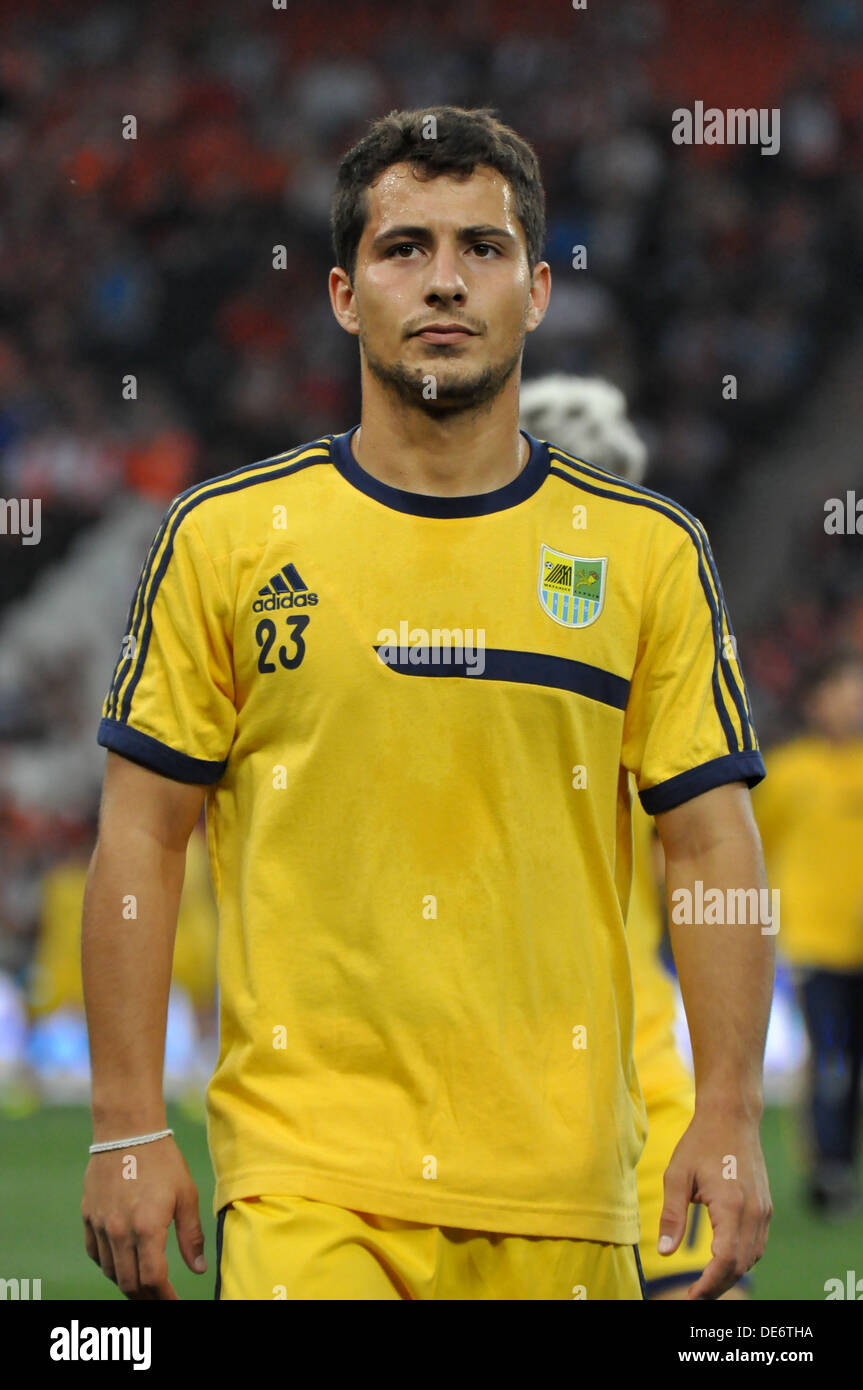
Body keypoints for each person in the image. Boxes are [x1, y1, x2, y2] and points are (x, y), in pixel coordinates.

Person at [81, 105, 773, 1301]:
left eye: (481, 249)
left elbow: (707, 840)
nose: (443, 282)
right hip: (306, 1174)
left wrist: (724, 1109)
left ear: (538, 291)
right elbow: (143, 833)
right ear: (344, 295)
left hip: (562, 1186)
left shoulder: (647, 553)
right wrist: (125, 1121)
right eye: (405, 250)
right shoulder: (227, 539)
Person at [520, 374, 749, 1300]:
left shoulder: (652, 617)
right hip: (500, 1083)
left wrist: (726, 1106)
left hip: (619, 1071)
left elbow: (706, 853)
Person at [753, 648, 863, 1220]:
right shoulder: (790, 773)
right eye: (844, 690)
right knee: (829, 1061)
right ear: (817, 700)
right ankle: (829, 1171)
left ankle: (842, 1161)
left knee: (849, 1064)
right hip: (815, 944)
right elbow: (752, 847)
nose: (854, 702)